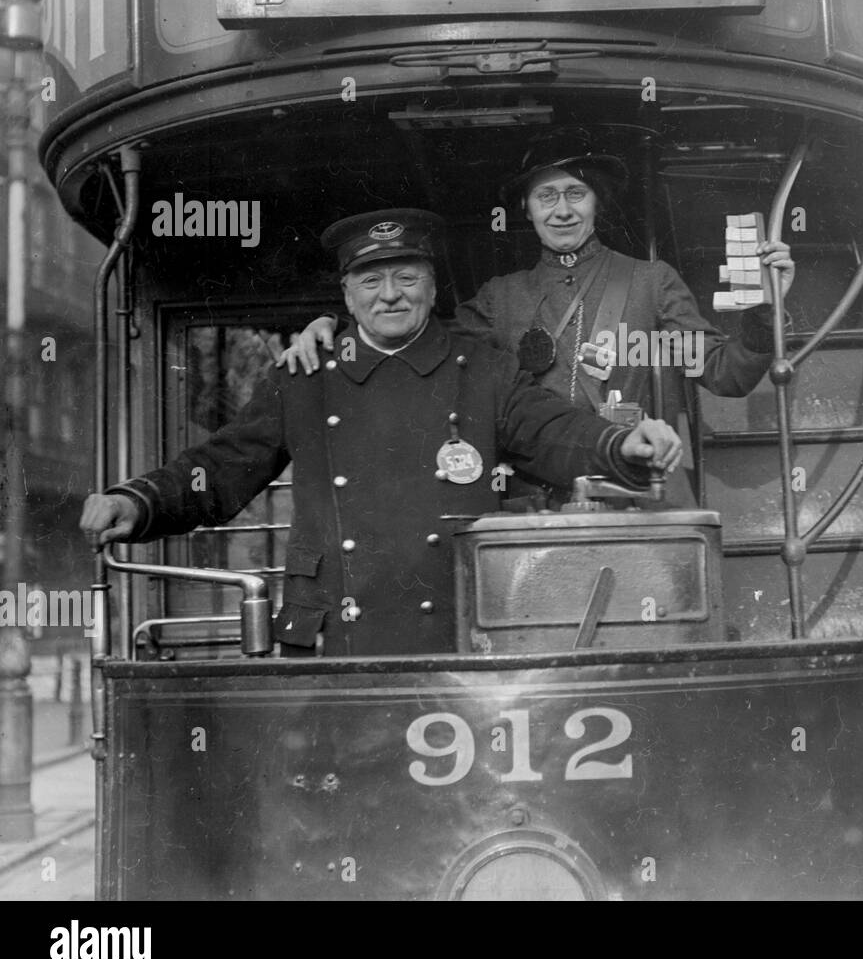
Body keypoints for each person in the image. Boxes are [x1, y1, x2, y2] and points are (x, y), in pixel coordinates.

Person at [79, 208, 682, 657]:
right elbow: (223, 465)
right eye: (370, 281)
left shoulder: (484, 370)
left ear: (432, 286)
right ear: (346, 293)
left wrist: (618, 444)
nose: (390, 295)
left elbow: (552, 429)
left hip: (455, 636)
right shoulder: (306, 377)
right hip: (332, 642)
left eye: (406, 277)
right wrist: (141, 501)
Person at [278, 128, 794, 503]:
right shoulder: (500, 298)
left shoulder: (649, 282)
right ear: (527, 209)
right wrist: (337, 327)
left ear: (597, 204)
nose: (561, 210)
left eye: (575, 193)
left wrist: (767, 310)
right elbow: (414, 342)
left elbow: (724, 374)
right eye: (546, 196)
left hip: (628, 490)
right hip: (526, 503)